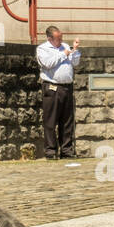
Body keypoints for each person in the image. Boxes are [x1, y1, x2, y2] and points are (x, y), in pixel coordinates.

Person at [36, 24, 81, 159]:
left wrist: (75, 50)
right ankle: (51, 151)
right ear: (50, 38)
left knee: (67, 120)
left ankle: (66, 150)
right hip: (52, 87)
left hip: (67, 86)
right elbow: (48, 63)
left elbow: (75, 63)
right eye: (57, 39)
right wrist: (64, 54)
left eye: (61, 38)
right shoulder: (43, 49)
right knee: (51, 120)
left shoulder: (65, 46)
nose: (60, 41)